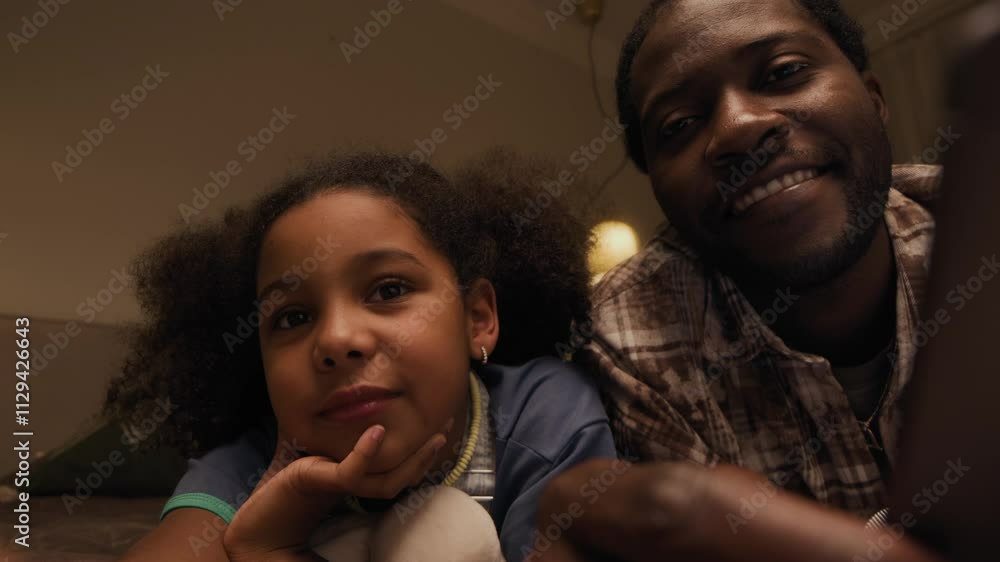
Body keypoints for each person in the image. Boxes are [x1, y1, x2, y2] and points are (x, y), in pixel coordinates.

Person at [535, 0, 953, 559]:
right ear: (658, 188)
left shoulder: (976, 233)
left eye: (783, 72)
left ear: (874, 98)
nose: (737, 128)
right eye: (680, 124)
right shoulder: (627, 348)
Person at [105, 149, 616, 561]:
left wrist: (268, 550)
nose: (336, 339)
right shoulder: (254, 459)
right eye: (292, 317)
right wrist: (277, 522)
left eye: (389, 290)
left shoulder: (545, 414)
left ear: (477, 317)